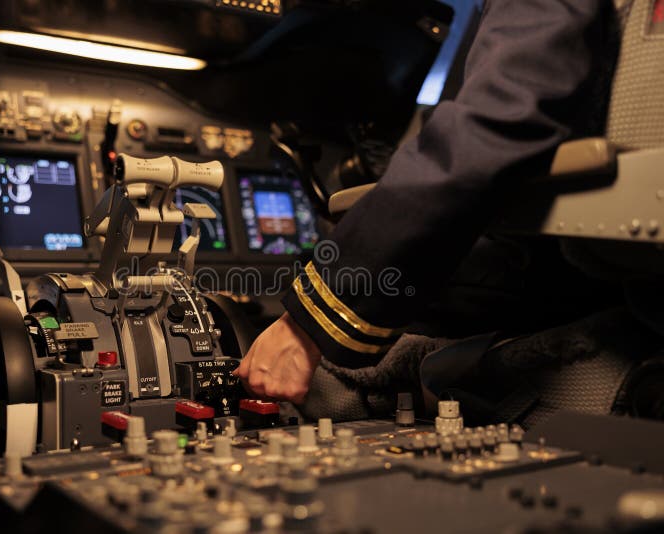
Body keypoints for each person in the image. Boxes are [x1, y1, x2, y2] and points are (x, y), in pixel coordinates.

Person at [234, 0, 621, 403]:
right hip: (569, 256)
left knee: (325, 294)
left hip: (550, 266)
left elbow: (494, 124)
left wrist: (304, 325)